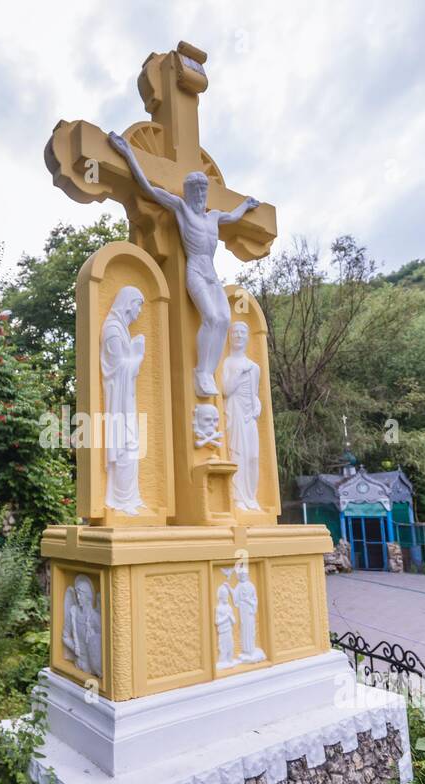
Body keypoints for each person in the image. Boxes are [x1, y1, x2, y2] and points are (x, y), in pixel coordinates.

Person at [108, 131, 259, 398]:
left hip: (212, 274)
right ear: (188, 192)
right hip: (195, 270)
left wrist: (246, 205)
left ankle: (209, 371)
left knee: (224, 319)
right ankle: (202, 371)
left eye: (202, 191)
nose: (199, 195)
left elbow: (234, 217)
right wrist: (128, 153)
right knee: (211, 317)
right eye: (195, 191)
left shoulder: (214, 217)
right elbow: (148, 188)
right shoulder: (180, 208)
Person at [100, 286, 146, 514]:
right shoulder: (113, 330)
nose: (140, 311)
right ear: (129, 303)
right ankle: (120, 499)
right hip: (118, 401)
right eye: (139, 305)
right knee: (125, 445)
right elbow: (117, 368)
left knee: (132, 445)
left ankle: (130, 497)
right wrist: (138, 354)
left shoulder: (121, 329)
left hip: (126, 397)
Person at [223, 321, 262, 510]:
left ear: (247, 337)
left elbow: (255, 394)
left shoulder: (255, 367)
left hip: (249, 416)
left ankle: (251, 496)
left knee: (253, 456)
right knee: (237, 454)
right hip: (235, 412)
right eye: (235, 332)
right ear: (229, 337)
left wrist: (258, 406)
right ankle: (238, 497)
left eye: (242, 332)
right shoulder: (227, 363)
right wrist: (238, 373)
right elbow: (226, 390)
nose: (238, 335)